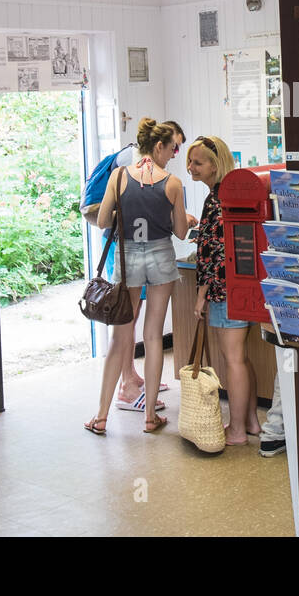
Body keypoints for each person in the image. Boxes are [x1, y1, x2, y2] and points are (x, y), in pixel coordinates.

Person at [85, 118, 191, 435]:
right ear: (158, 146)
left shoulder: (118, 177)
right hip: (159, 255)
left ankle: (101, 417)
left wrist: (131, 212)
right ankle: (149, 417)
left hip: (128, 255)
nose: (173, 155)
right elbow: (182, 232)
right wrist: (180, 217)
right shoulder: (172, 183)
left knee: (120, 337)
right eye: (172, 148)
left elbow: (103, 221)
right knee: (154, 335)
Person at [186, 135, 258, 445]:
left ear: (215, 166)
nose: (191, 167)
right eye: (190, 161)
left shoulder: (216, 199)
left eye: (197, 162)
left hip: (222, 291)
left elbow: (214, 252)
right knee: (240, 357)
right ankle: (252, 421)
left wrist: (201, 294)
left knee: (233, 360)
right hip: (241, 287)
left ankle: (238, 430)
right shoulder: (230, 194)